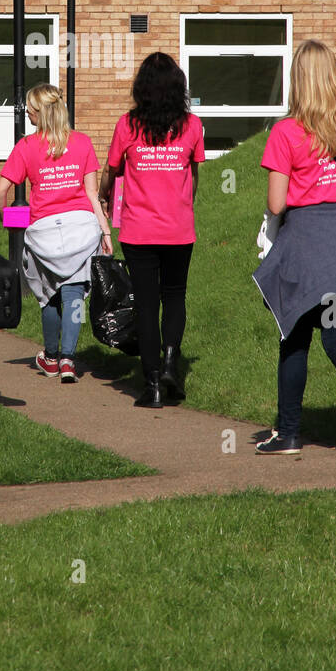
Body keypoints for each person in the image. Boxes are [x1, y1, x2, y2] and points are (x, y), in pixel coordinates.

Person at [252, 38, 336, 458]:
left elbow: (276, 203)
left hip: (309, 250)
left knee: (294, 337)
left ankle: (289, 434)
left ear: (299, 81)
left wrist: (305, 185)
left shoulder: (286, 132)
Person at [99, 52, 205, 408]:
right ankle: (172, 365)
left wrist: (102, 195)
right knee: (175, 297)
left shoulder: (127, 125)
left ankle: (153, 385)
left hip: (138, 232)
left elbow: (111, 171)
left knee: (146, 306)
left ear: (141, 88)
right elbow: (194, 177)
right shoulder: (192, 125)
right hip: (179, 229)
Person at [0, 84, 111, 384]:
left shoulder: (26, 146)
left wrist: (8, 218)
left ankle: (50, 357)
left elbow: (0, 190)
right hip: (82, 229)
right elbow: (92, 193)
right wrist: (106, 233)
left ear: (41, 113)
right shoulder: (83, 143)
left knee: (49, 296)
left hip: (44, 232)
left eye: (31, 110)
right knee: (73, 294)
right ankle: (69, 361)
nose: (28, 115)